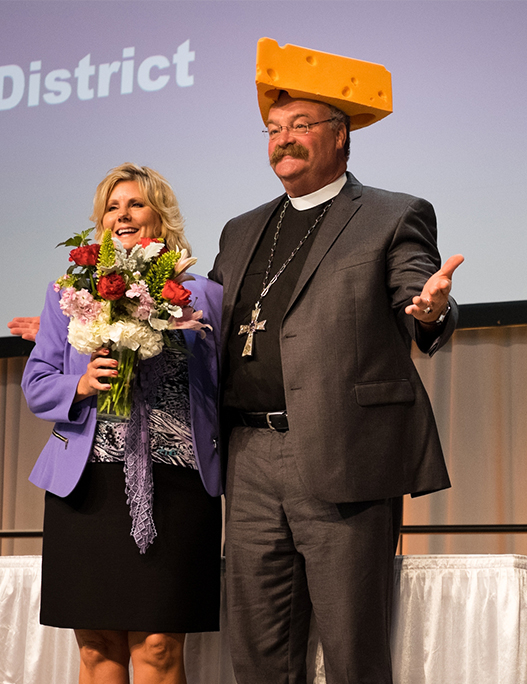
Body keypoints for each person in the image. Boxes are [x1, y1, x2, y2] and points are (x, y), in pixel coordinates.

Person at [209, 42, 461, 683]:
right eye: (273, 129)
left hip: (343, 451)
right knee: (258, 654)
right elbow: (208, 323)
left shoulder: (392, 214)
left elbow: (419, 294)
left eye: (299, 125)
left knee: (353, 653)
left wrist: (431, 310)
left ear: (341, 135)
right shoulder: (240, 230)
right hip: (248, 454)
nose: (282, 140)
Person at [21, 163, 222, 684]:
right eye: (112, 207)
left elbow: (230, 384)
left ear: (161, 214)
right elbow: (37, 384)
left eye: (135, 204)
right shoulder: (70, 292)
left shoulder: (205, 295)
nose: (123, 215)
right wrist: (82, 384)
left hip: (179, 485)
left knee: (158, 647)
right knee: (97, 646)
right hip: (88, 485)